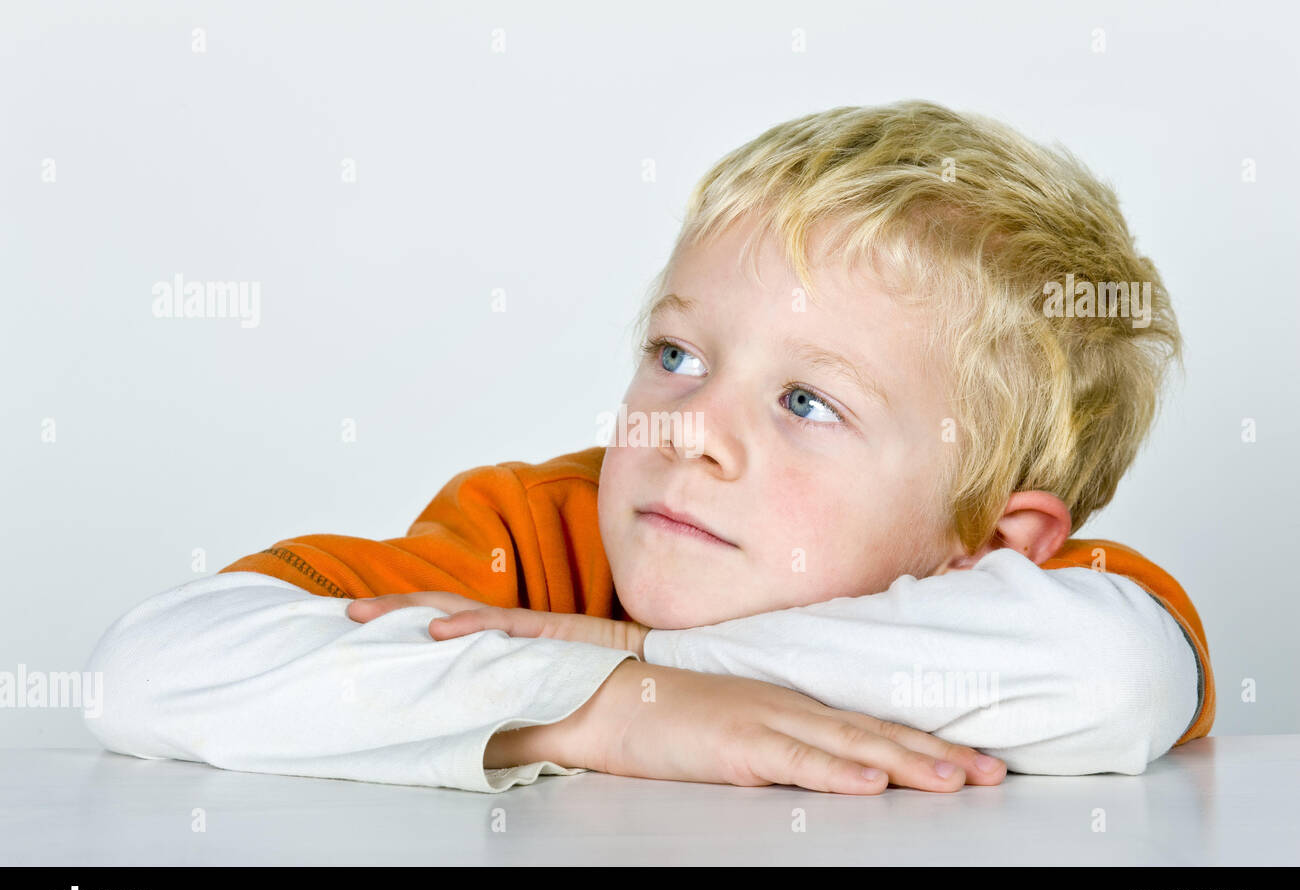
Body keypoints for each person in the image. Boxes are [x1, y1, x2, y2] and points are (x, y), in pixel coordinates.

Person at [83, 101, 1213, 795]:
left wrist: (645, 660)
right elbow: (151, 672)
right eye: (678, 354)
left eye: (806, 402)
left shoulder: (1037, 605)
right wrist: (608, 704)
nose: (688, 429)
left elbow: (1116, 677)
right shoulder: (540, 530)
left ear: (986, 540)